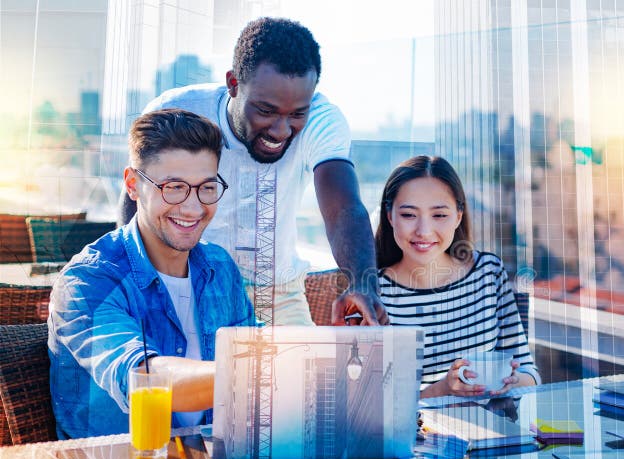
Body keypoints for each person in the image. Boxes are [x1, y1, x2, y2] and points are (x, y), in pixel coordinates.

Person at [119, 16, 387, 327]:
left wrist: (362, 285)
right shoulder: (178, 110)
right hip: (185, 282)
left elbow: (344, 209)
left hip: (277, 295)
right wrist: (140, 280)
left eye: (297, 113)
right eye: (266, 110)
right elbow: (137, 196)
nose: (281, 130)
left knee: (304, 375)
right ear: (233, 84)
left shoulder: (323, 119)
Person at [49, 109, 256, 439]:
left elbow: (253, 351)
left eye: (206, 187)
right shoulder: (89, 281)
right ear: (133, 185)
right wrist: (264, 373)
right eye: (173, 187)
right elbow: (144, 380)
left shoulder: (221, 269)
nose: (192, 207)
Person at [375, 156, 541, 399]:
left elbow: (530, 374)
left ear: (458, 216)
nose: (424, 231)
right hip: (415, 435)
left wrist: (510, 382)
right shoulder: (373, 293)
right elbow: (369, 404)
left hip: (490, 430)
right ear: (390, 216)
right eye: (409, 215)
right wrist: (442, 390)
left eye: (439, 215)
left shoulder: (488, 272)